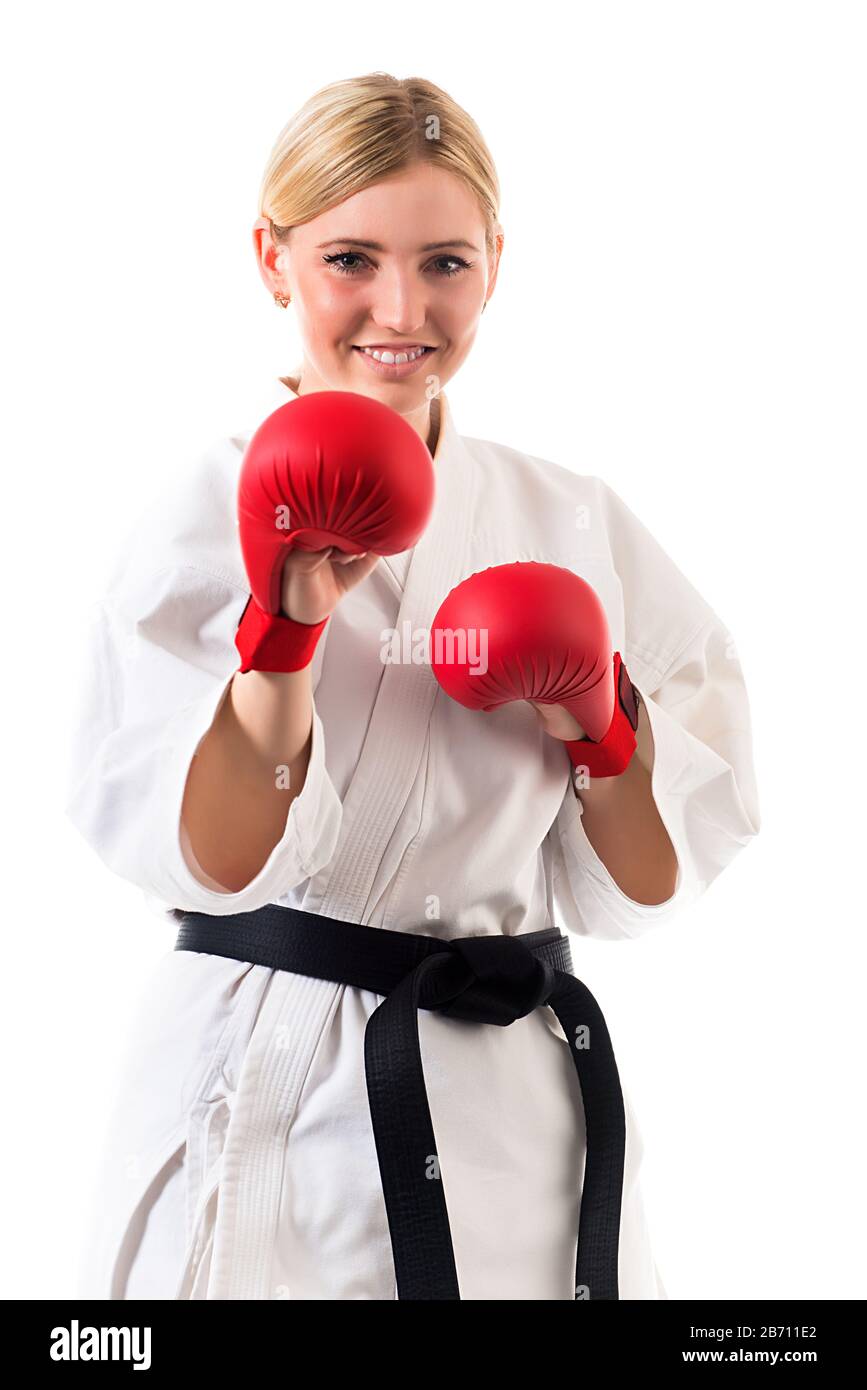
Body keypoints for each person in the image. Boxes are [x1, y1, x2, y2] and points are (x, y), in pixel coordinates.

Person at [65, 72, 761, 1301]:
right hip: (285, 1073)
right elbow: (213, 864)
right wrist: (282, 635)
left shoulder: (573, 517)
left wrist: (601, 725)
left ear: (496, 260)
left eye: (445, 262)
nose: (403, 308)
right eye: (351, 259)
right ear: (271, 259)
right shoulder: (201, 508)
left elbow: (646, 891)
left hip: (521, 1099)